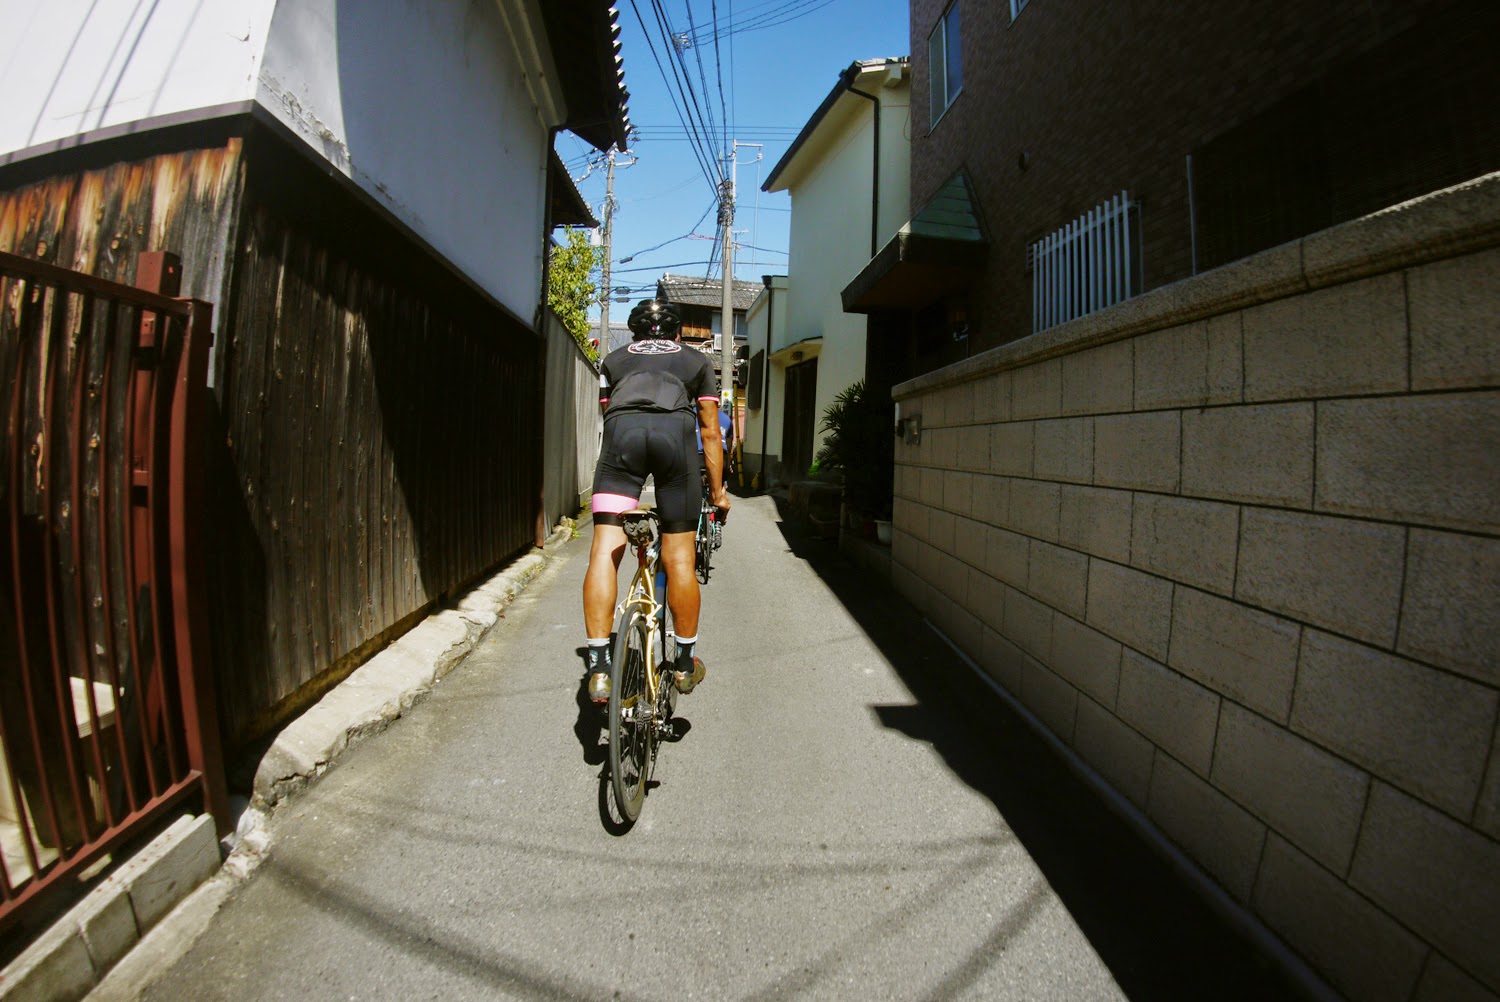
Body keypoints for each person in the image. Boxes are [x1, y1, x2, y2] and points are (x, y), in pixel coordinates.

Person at [582, 299, 731, 702]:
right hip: (674, 440)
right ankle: (684, 664)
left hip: (621, 442)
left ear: (634, 334)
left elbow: (608, 416)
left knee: (604, 551)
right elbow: (711, 432)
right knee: (679, 558)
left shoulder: (613, 360)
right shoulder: (696, 362)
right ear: (677, 333)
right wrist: (717, 493)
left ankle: (598, 667)